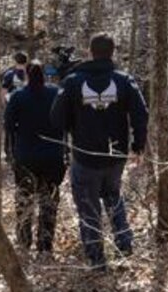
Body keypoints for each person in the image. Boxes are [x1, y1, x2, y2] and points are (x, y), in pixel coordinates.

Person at [50, 33, 148, 268]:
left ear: (90, 52)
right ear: (112, 52)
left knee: (88, 205)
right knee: (113, 196)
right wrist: (138, 146)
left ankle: (96, 258)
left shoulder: (73, 82)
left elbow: (56, 119)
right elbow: (141, 114)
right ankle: (124, 247)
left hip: (84, 156)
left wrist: (74, 121)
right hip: (115, 155)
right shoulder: (124, 80)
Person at [4, 62, 67, 254]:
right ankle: (45, 245)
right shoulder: (56, 94)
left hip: (25, 157)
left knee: (24, 199)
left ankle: (24, 242)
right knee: (49, 202)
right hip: (53, 157)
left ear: (27, 76)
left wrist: (10, 153)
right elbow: (66, 122)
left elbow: (8, 126)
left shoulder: (18, 97)